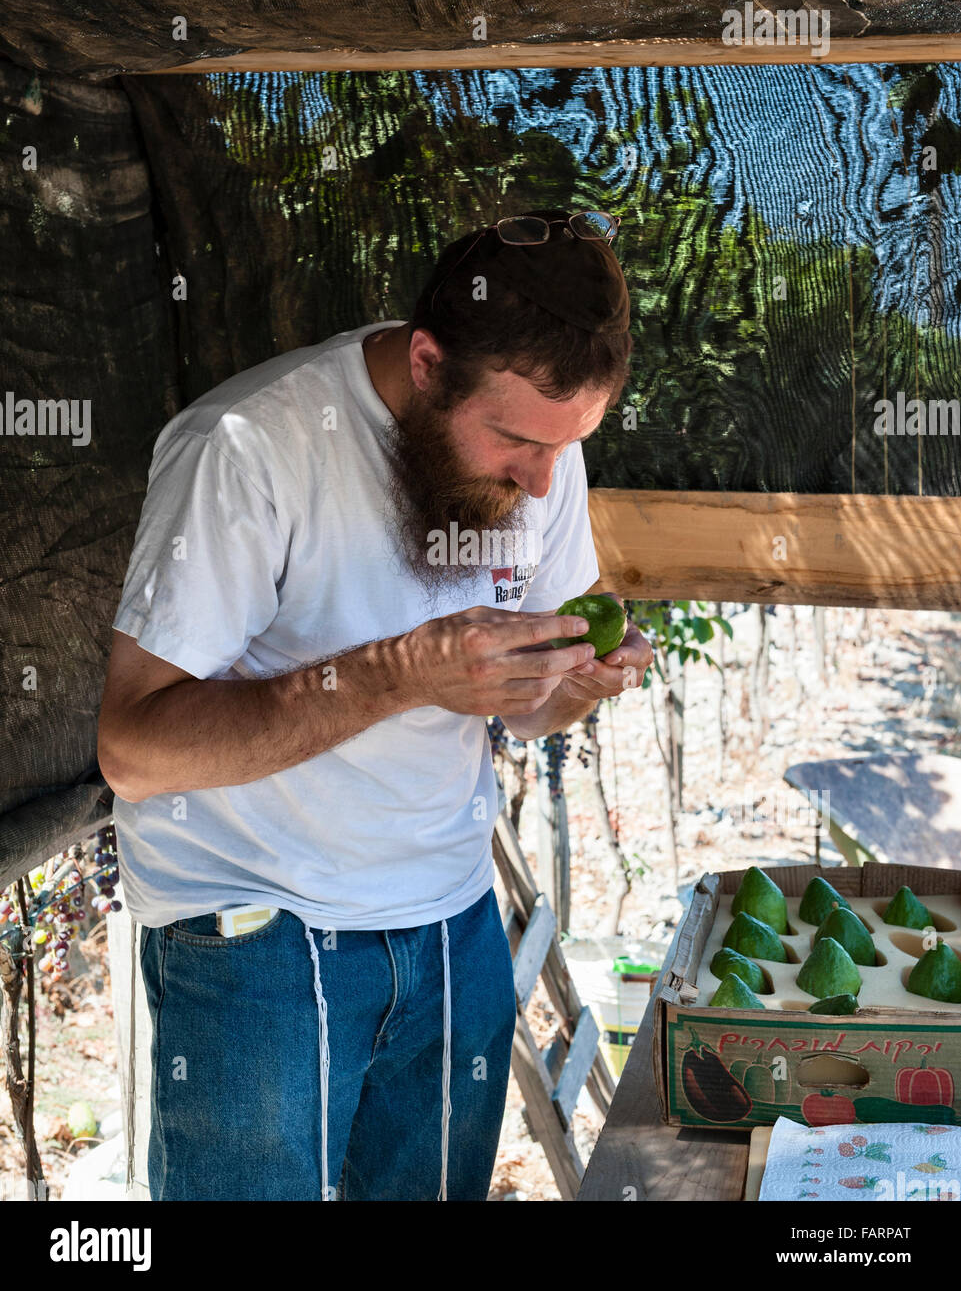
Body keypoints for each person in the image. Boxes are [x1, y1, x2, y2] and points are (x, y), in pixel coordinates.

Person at [97, 206, 653, 1201]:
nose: (540, 482)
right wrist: (398, 671)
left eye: (569, 446)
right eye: (517, 442)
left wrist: (571, 684)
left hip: (450, 918)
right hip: (257, 935)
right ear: (431, 362)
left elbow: (524, 714)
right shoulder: (247, 447)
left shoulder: (545, 454)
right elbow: (136, 751)